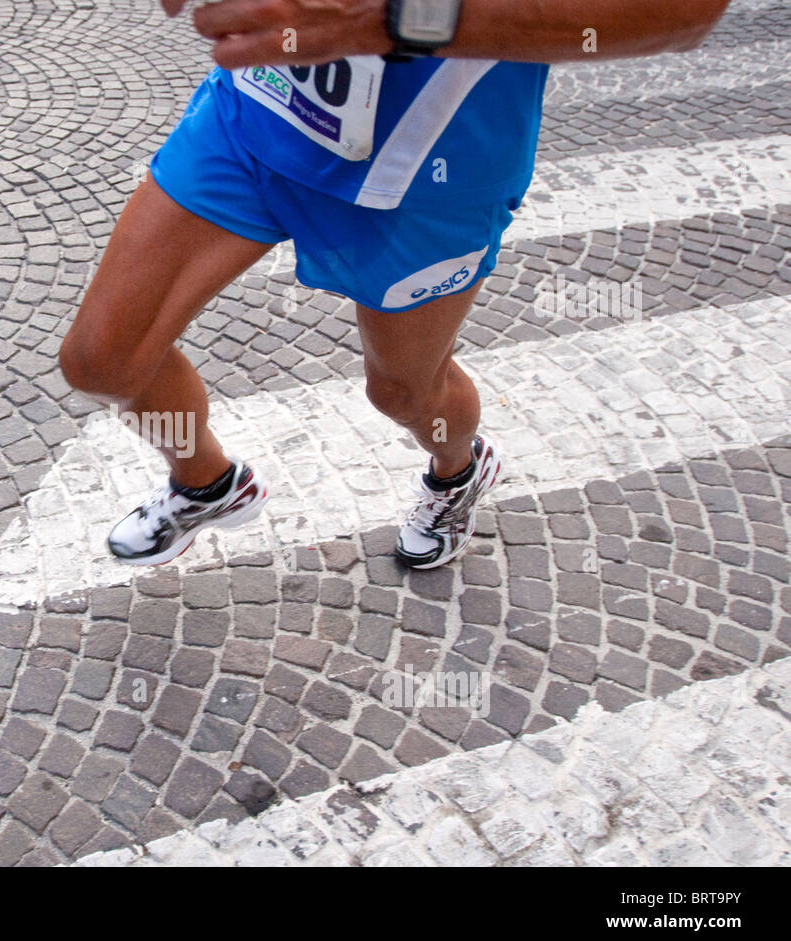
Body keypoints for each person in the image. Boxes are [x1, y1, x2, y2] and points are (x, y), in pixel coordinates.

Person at [58, 0, 731, 569]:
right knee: (103, 361)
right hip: (259, 115)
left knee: (407, 393)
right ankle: (208, 485)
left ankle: (458, 470)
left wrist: (392, 14)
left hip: (431, 177)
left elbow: (686, 13)